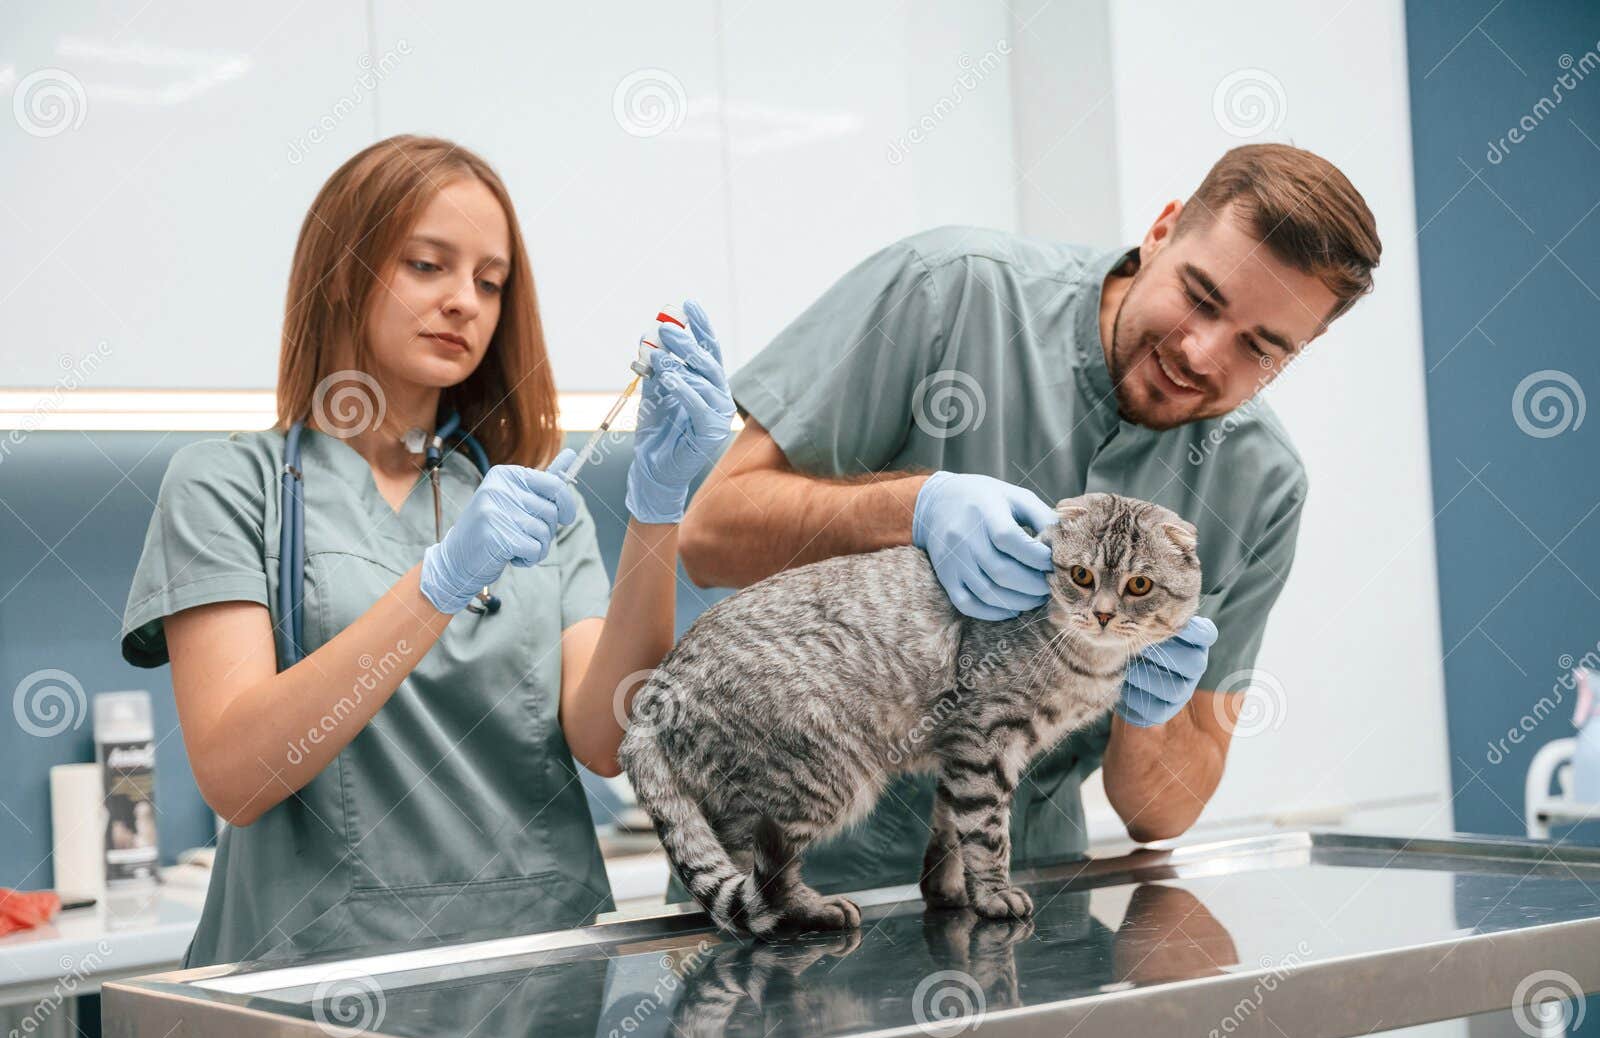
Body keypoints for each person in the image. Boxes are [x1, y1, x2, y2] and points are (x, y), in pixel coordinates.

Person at [672, 143, 1381, 902]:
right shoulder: (948, 294)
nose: (1200, 353)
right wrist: (913, 508)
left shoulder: (1260, 483)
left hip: (1024, 900)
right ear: (1163, 230)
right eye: (1201, 297)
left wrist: (1148, 698)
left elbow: (1161, 810)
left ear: (1304, 348)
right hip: (781, 866)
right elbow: (711, 533)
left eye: (1259, 347)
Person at [120, 135, 732, 966]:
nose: (465, 303)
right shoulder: (229, 485)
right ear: (343, 273)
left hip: (534, 974)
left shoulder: (532, 505)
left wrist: (658, 507)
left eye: (489, 281)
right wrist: (436, 586)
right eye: (425, 265)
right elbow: (238, 774)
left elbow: (604, 734)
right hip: (314, 989)